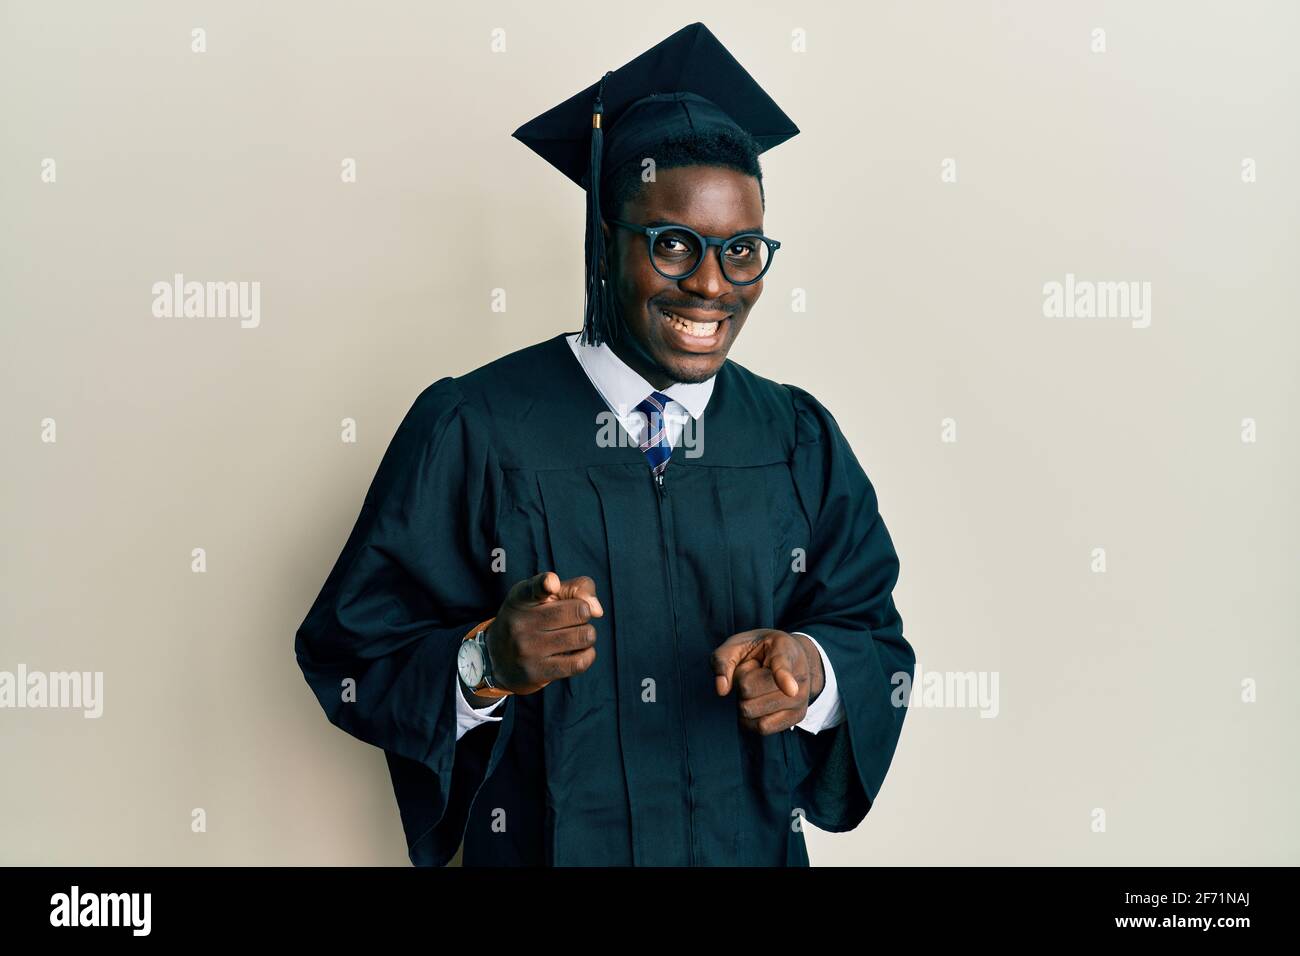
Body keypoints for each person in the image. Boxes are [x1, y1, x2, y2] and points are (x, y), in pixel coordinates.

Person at [294, 21, 914, 866]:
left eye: (742, 252)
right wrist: (486, 661)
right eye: (672, 245)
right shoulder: (475, 424)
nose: (710, 283)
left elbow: (872, 634)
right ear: (604, 242)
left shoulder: (796, 436)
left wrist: (813, 669)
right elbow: (351, 648)